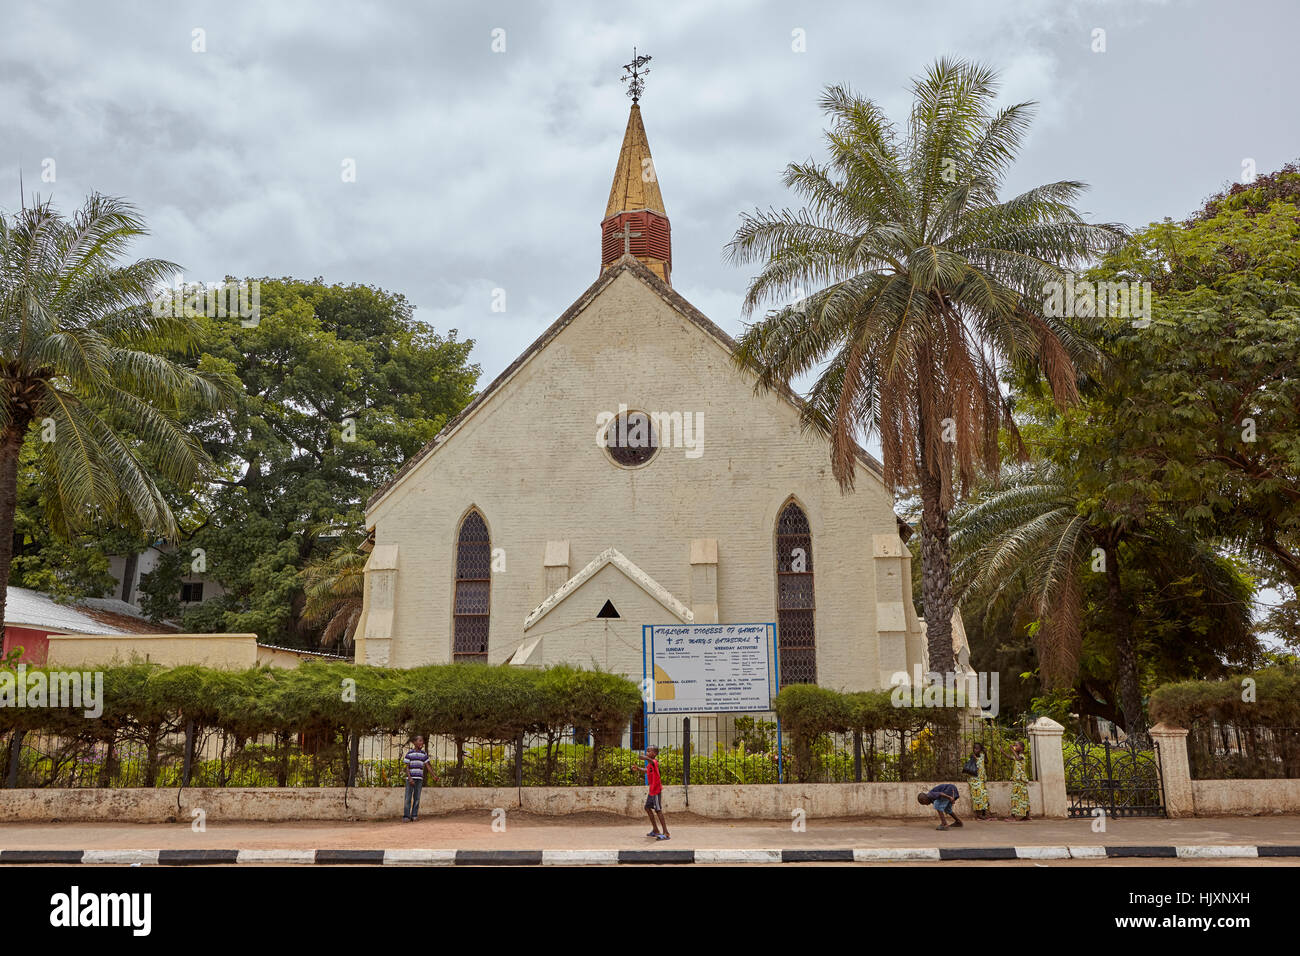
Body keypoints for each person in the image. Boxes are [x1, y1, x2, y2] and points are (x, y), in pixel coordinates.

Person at [633, 745, 669, 840]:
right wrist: (638, 769)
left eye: (649, 751)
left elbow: (650, 761)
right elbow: (647, 770)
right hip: (652, 790)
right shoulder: (649, 764)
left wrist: (644, 757)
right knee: (647, 808)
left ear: (655, 754)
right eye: (647, 751)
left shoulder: (654, 762)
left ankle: (666, 832)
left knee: (658, 810)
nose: (647, 753)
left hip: (656, 790)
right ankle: (655, 830)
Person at [403, 736, 431, 821]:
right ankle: (406, 816)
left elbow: (428, 766)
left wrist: (434, 776)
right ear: (415, 742)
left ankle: (414, 815)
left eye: (422, 741)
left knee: (417, 798)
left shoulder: (423, 754)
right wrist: (410, 778)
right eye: (420, 741)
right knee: (408, 798)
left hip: (419, 779)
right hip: (410, 779)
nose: (422, 743)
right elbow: (407, 768)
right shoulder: (409, 754)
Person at [1004, 740, 1031, 821]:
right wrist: (1003, 752)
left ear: (1021, 748)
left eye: (1017, 745)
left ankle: (1013, 816)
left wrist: (1012, 750)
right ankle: (1027, 815)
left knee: (1015, 797)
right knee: (1023, 797)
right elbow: (1010, 757)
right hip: (1018, 780)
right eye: (1014, 745)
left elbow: (1018, 758)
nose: (1015, 746)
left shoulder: (1022, 756)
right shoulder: (1017, 756)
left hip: (1020, 780)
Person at [968, 742, 990, 820]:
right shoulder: (972, 756)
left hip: (981, 779)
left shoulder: (982, 756)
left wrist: (985, 752)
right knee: (976, 797)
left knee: (984, 795)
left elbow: (987, 762)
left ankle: (983, 813)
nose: (975, 750)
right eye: (974, 748)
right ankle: (978, 814)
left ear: (980, 749)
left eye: (977, 748)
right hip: (974, 780)